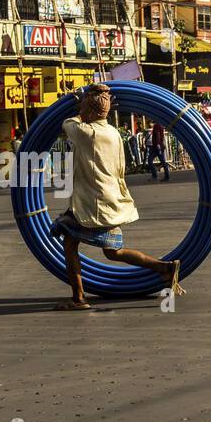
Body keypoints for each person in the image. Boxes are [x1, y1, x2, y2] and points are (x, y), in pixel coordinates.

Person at [53, 84, 184, 311]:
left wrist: (74, 102)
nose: (80, 110)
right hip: (109, 199)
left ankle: (79, 298)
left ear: (92, 112)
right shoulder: (112, 132)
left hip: (91, 204)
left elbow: (66, 123)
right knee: (114, 252)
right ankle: (164, 268)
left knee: (71, 244)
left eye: (83, 106)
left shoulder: (86, 132)